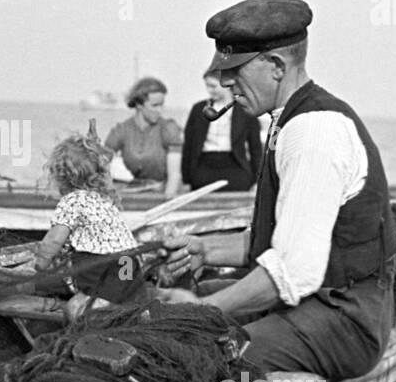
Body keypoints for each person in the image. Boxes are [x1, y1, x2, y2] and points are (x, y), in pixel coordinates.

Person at [161, 0, 395, 382]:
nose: (225, 82)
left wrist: (204, 310)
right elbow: (278, 238)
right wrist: (205, 249)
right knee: (167, 308)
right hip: (310, 302)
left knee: (187, 354)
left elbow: (292, 270)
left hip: (344, 320)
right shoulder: (287, 120)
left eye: (234, 70)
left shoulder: (313, 132)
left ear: (276, 66)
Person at [34, 132, 152, 319]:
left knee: (77, 308)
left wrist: (41, 264)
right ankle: (136, 313)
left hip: (104, 267)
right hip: (129, 262)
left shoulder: (72, 201)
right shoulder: (104, 200)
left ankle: (94, 326)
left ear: (61, 177)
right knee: (123, 296)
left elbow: (53, 241)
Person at [181, 68, 262, 192]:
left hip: (235, 166)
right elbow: (188, 146)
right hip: (204, 166)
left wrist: (258, 180)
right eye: (207, 86)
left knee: (240, 184)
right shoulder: (198, 109)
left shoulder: (246, 109)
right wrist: (186, 179)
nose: (209, 90)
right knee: (200, 184)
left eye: (213, 86)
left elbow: (255, 148)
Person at [104, 77, 183, 197]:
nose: (160, 110)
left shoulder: (169, 128)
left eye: (161, 105)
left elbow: (174, 174)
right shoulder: (121, 130)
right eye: (155, 105)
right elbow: (100, 163)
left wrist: (169, 197)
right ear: (139, 105)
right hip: (134, 189)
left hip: (164, 191)